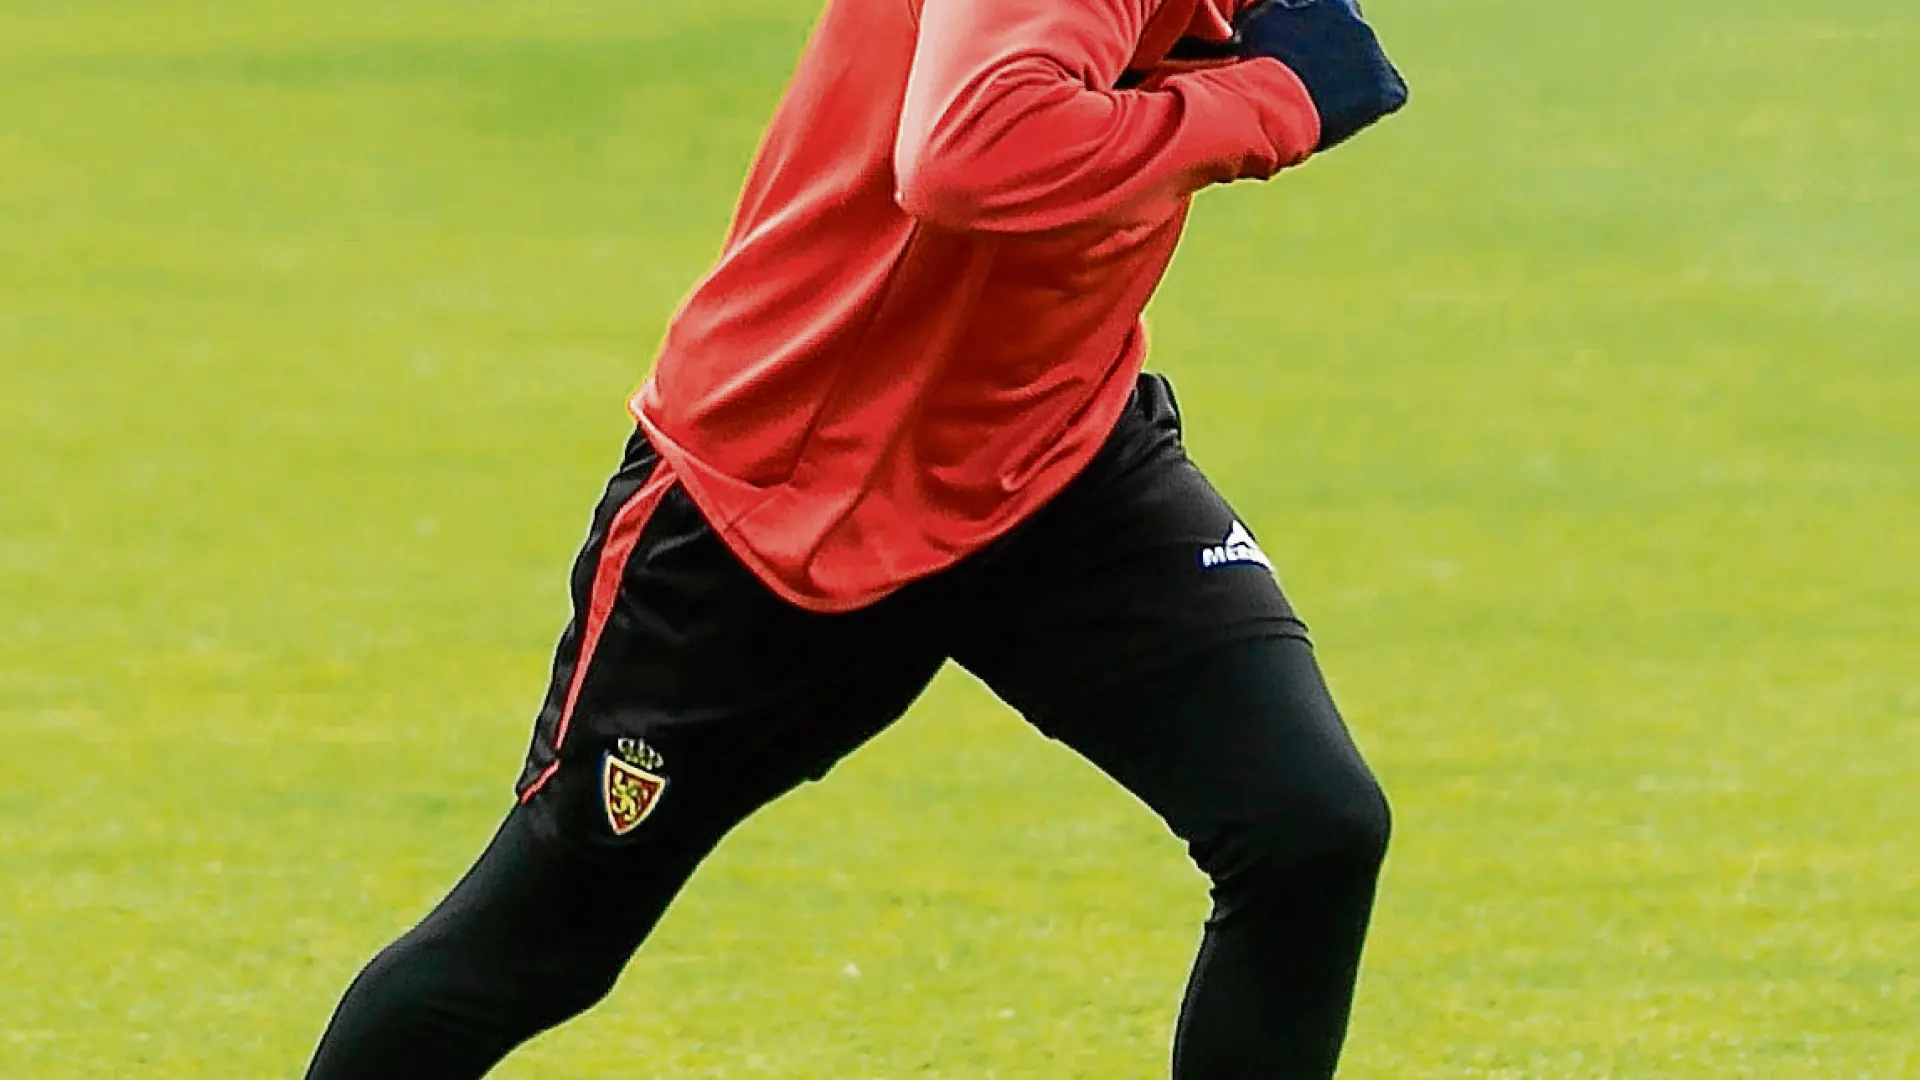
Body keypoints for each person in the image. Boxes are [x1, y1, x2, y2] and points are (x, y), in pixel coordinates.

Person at [303, 0, 1408, 1076]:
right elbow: (972, 148)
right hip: (787, 503)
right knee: (537, 944)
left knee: (1309, 828)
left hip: (1055, 452)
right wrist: (1273, 102)